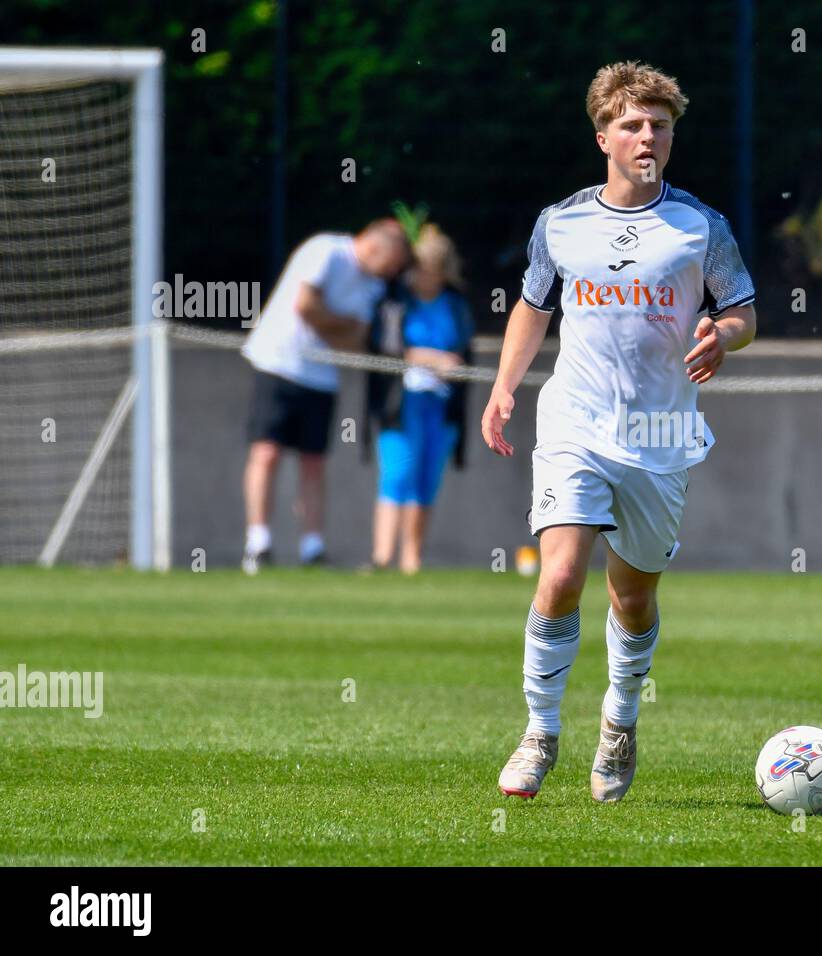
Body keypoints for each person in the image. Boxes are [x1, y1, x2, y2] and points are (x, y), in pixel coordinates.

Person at [481, 61, 757, 802]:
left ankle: (620, 719)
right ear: (603, 134)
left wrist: (723, 337)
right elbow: (534, 308)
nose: (647, 137)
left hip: (662, 432)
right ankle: (540, 733)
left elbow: (744, 311)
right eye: (633, 125)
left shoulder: (701, 226)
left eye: (660, 126)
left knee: (631, 598)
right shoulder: (561, 222)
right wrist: (505, 386)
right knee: (562, 574)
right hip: (574, 420)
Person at [240, 219, 410, 574]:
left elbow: (355, 337)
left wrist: (330, 322)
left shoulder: (373, 286)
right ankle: (258, 544)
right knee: (267, 452)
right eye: (391, 263)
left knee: (314, 462)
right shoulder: (325, 251)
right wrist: (338, 322)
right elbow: (305, 307)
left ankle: (312, 547)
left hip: (322, 378)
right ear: (376, 247)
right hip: (279, 363)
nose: (391, 273)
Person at [367, 224, 473, 573]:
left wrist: (451, 365)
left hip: (441, 404)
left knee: (428, 478)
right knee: (398, 473)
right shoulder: (396, 301)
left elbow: (463, 352)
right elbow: (386, 349)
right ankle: (382, 557)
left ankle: (412, 559)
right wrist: (432, 358)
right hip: (401, 401)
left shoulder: (454, 305)